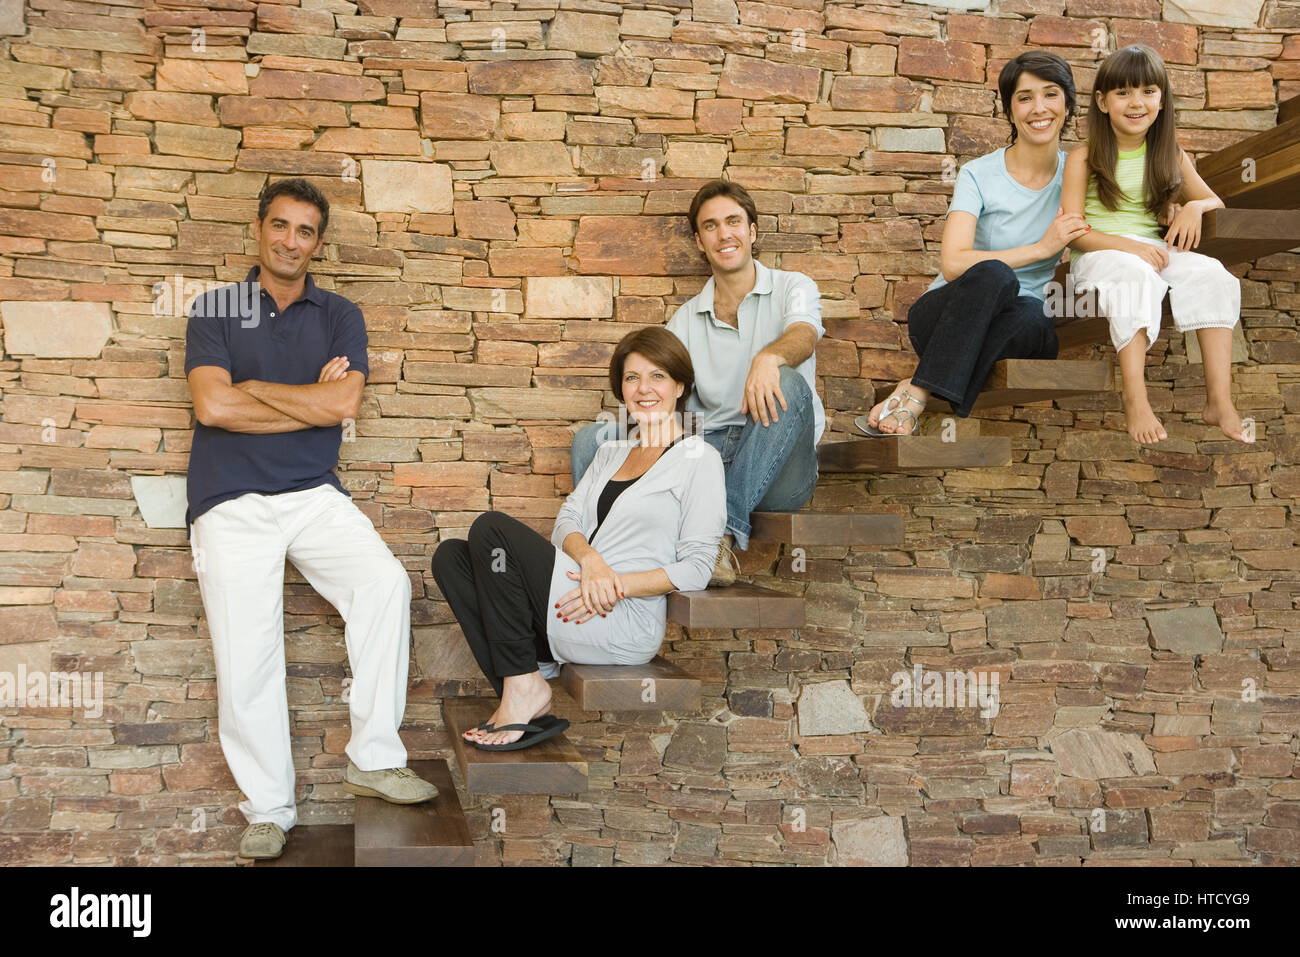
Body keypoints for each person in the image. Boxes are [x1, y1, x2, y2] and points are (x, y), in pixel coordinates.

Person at [185, 178, 437, 861]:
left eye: (305, 230)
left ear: (318, 242)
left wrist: (259, 390)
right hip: (229, 498)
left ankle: (375, 756)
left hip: (311, 491)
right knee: (249, 655)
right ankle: (269, 808)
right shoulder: (214, 309)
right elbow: (213, 408)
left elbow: (343, 406)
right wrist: (310, 399)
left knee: (384, 584)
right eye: (280, 225)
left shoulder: (339, 314)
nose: (290, 240)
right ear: (259, 228)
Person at [433, 327, 725, 750]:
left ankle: (521, 691)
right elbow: (566, 521)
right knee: (451, 557)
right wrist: (591, 563)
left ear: (680, 385)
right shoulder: (611, 453)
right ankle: (527, 676)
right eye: (631, 378)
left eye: (657, 376)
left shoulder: (699, 460)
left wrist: (611, 586)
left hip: (621, 620)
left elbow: (697, 567)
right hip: (574, 594)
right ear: (620, 388)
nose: (643, 389)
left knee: (491, 530)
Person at [570, 180, 823, 585]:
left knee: (788, 383)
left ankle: (719, 539)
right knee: (591, 440)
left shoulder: (793, 286)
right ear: (699, 241)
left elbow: (805, 335)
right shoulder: (685, 319)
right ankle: (604, 553)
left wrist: (768, 358)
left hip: (781, 460)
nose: (724, 234)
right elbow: (660, 394)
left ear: (752, 231)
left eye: (734, 222)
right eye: (711, 226)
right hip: (708, 451)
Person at [861, 51, 1087, 436]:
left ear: (1067, 103)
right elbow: (953, 263)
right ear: (1010, 111)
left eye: (1050, 94)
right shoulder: (978, 174)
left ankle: (919, 387)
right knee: (996, 274)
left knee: (1036, 321)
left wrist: (1189, 206)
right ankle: (924, 389)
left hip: (1012, 325)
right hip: (946, 315)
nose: (1039, 108)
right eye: (1024, 97)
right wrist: (1041, 248)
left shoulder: (1078, 174)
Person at [1063, 44, 1250, 445]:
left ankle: (1219, 399)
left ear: (1162, 99)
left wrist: (1192, 208)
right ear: (1102, 101)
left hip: (1152, 250)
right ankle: (1135, 396)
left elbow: (1213, 198)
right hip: (1100, 253)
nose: (1137, 102)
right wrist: (1129, 249)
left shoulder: (1169, 153)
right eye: (1123, 93)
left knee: (1213, 274)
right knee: (1136, 276)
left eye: (1148, 91)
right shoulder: (1084, 156)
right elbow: (1074, 230)